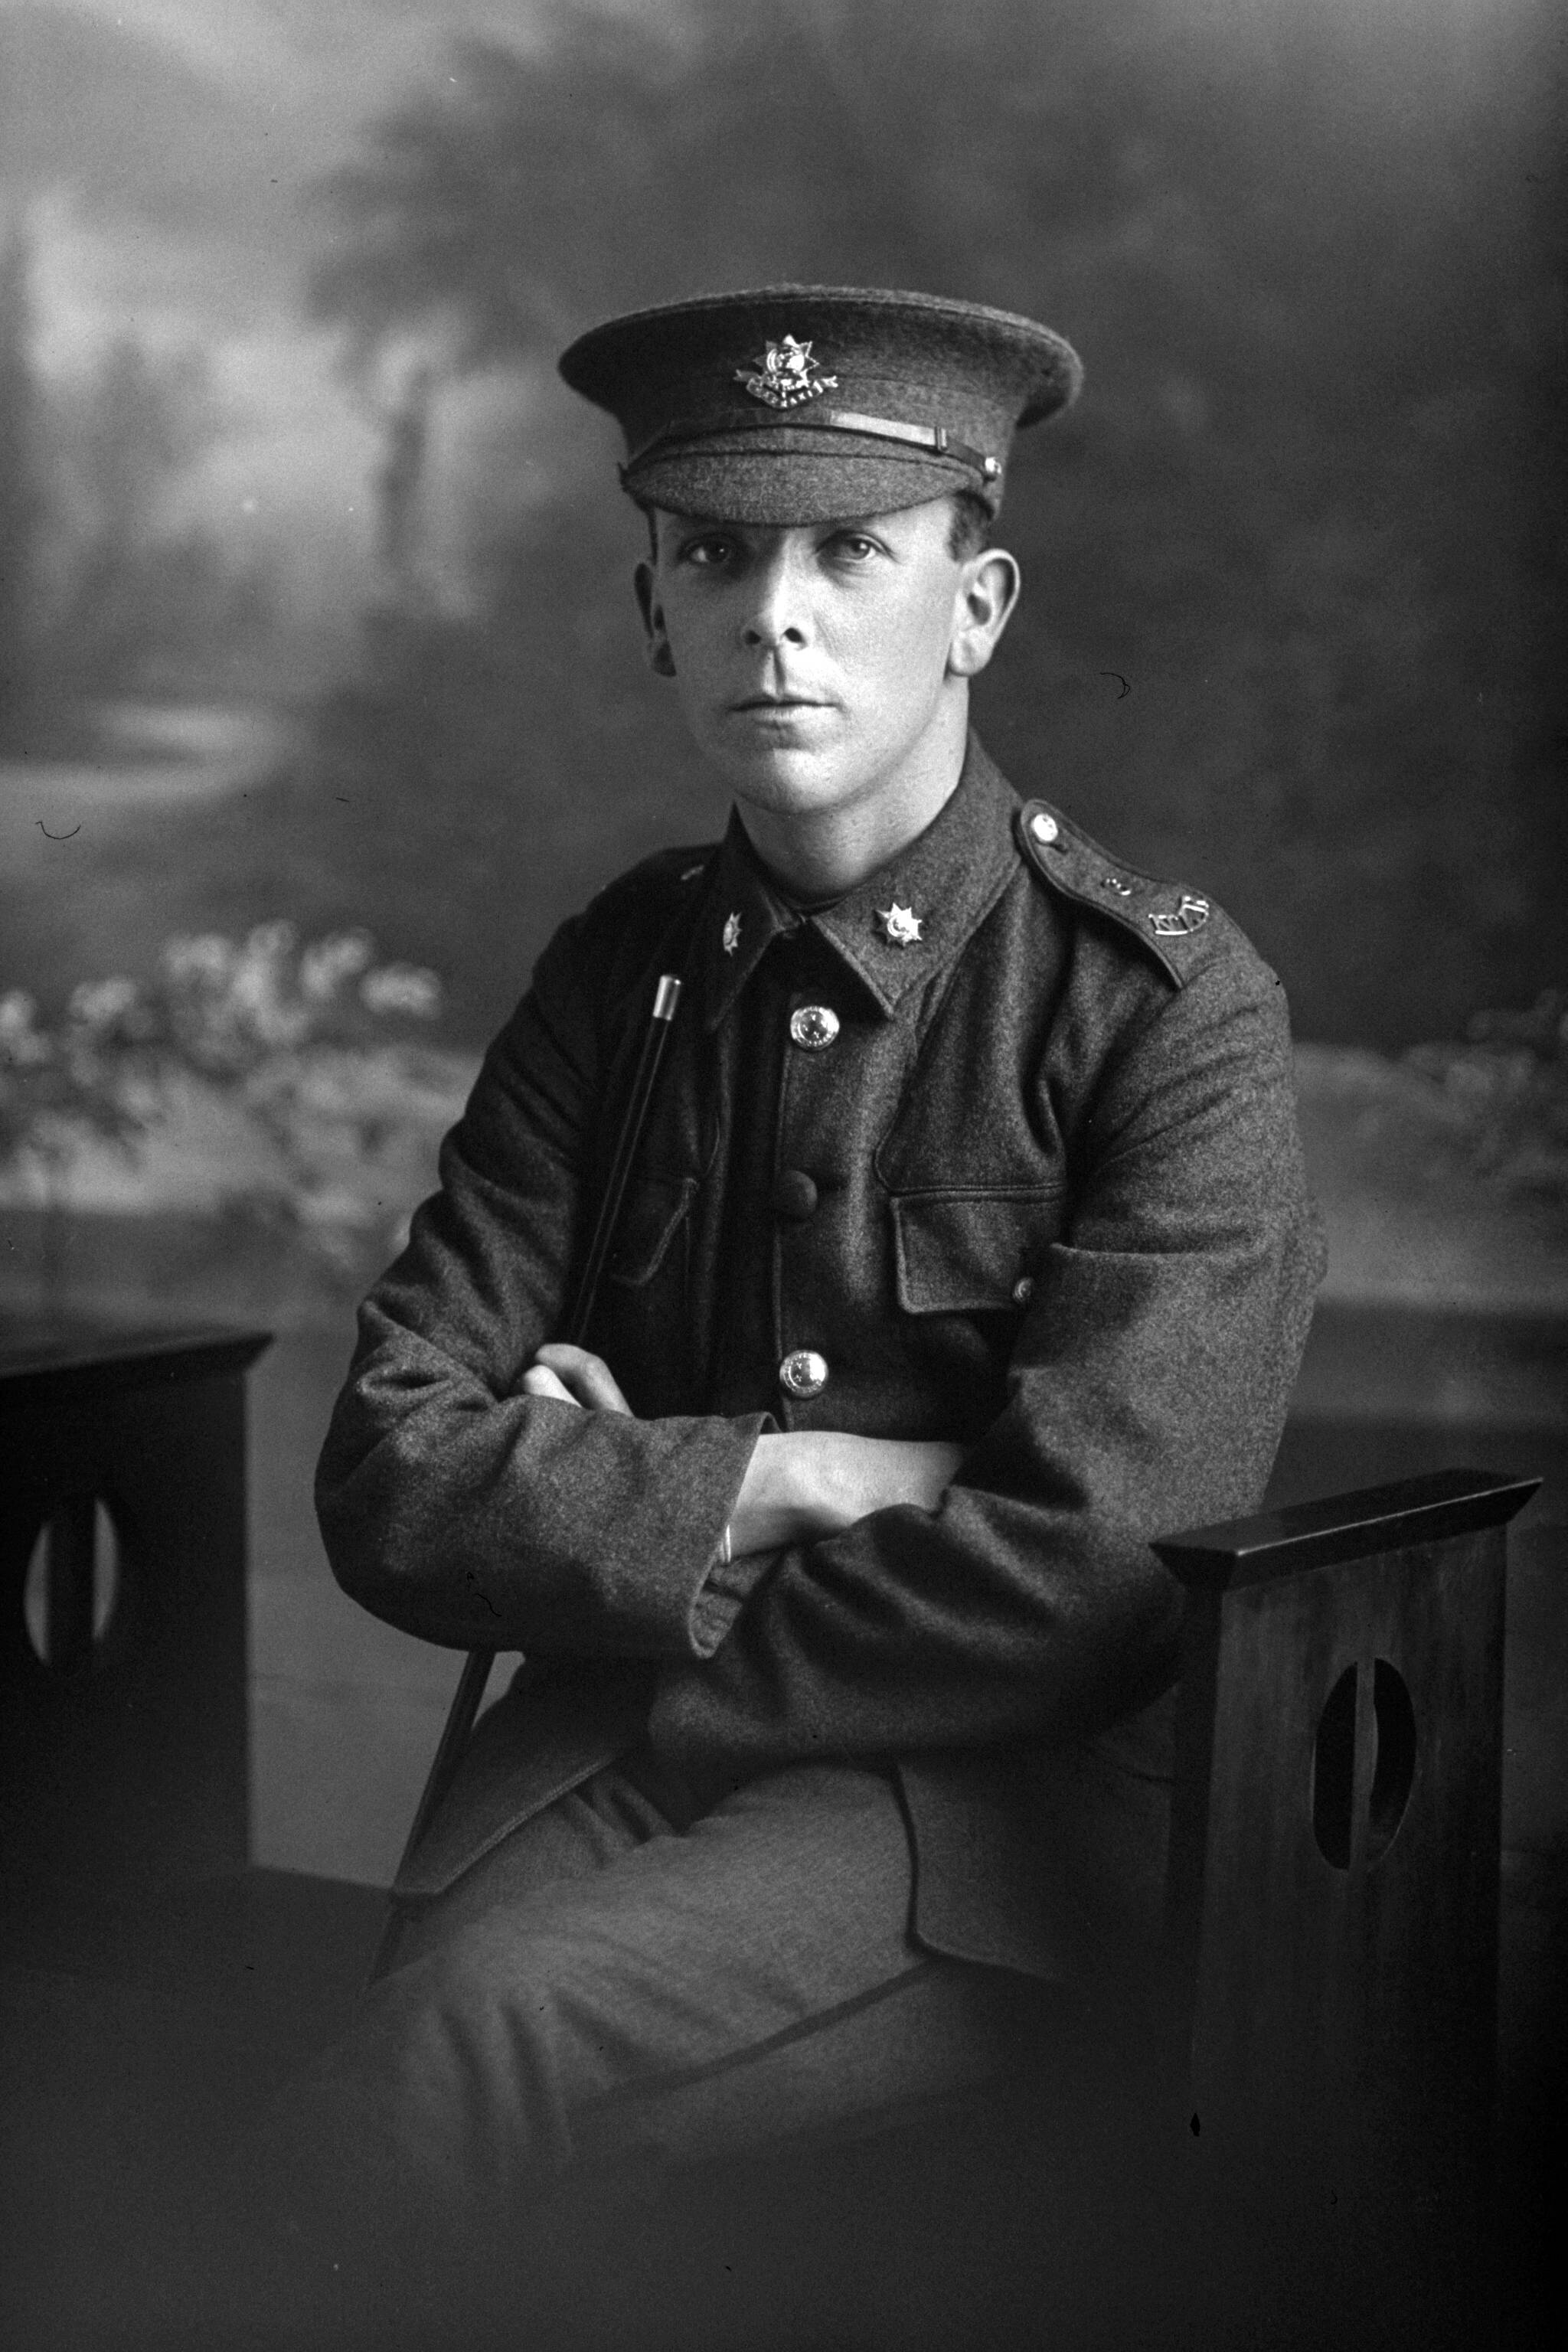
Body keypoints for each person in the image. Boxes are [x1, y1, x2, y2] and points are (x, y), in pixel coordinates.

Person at [271, 285, 1323, 2339]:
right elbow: (391, 1462)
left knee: (481, 2045)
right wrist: (805, 1477)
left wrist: (612, 1504)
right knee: (398, 2056)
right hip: (628, 1762)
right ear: (653, 605)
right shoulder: (621, 974)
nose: (778, 614)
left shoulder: (1163, 1012)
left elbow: (1089, 1576)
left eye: (851, 550)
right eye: (718, 551)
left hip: (984, 1827)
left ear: (982, 601)